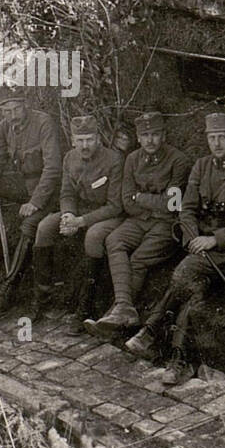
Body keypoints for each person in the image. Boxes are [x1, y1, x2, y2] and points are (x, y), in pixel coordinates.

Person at [124, 112, 225, 384]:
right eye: (212, 138)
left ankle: (152, 330)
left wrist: (214, 240)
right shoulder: (201, 167)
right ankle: (179, 358)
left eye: (222, 137)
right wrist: (192, 238)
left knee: (185, 272)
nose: (217, 143)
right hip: (200, 245)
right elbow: (185, 209)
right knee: (194, 288)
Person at [85, 112, 191, 339]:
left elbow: (172, 205)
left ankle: (116, 313)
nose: (150, 140)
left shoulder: (178, 160)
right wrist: (150, 201)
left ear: (163, 135)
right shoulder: (132, 160)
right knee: (114, 239)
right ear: (138, 138)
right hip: (138, 221)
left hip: (165, 225)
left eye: (155, 134)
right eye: (145, 135)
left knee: (138, 259)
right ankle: (123, 309)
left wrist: (140, 198)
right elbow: (126, 201)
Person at [0, 89, 63, 314]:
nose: (12, 115)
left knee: (29, 224)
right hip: (22, 184)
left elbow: (53, 168)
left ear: (26, 105)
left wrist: (36, 202)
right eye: (6, 110)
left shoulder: (44, 123)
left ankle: (9, 287)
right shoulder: (4, 126)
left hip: (47, 190)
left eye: (16, 109)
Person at [32, 114, 124, 332]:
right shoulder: (69, 158)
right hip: (78, 212)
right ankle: (43, 299)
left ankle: (86, 308)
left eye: (89, 139)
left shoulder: (114, 160)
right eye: (80, 140)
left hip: (106, 215)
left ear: (98, 138)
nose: (85, 145)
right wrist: (67, 215)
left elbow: (115, 205)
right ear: (73, 140)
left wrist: (81, 221)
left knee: (93, 237)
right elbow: (66, 193)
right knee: (44, 228)